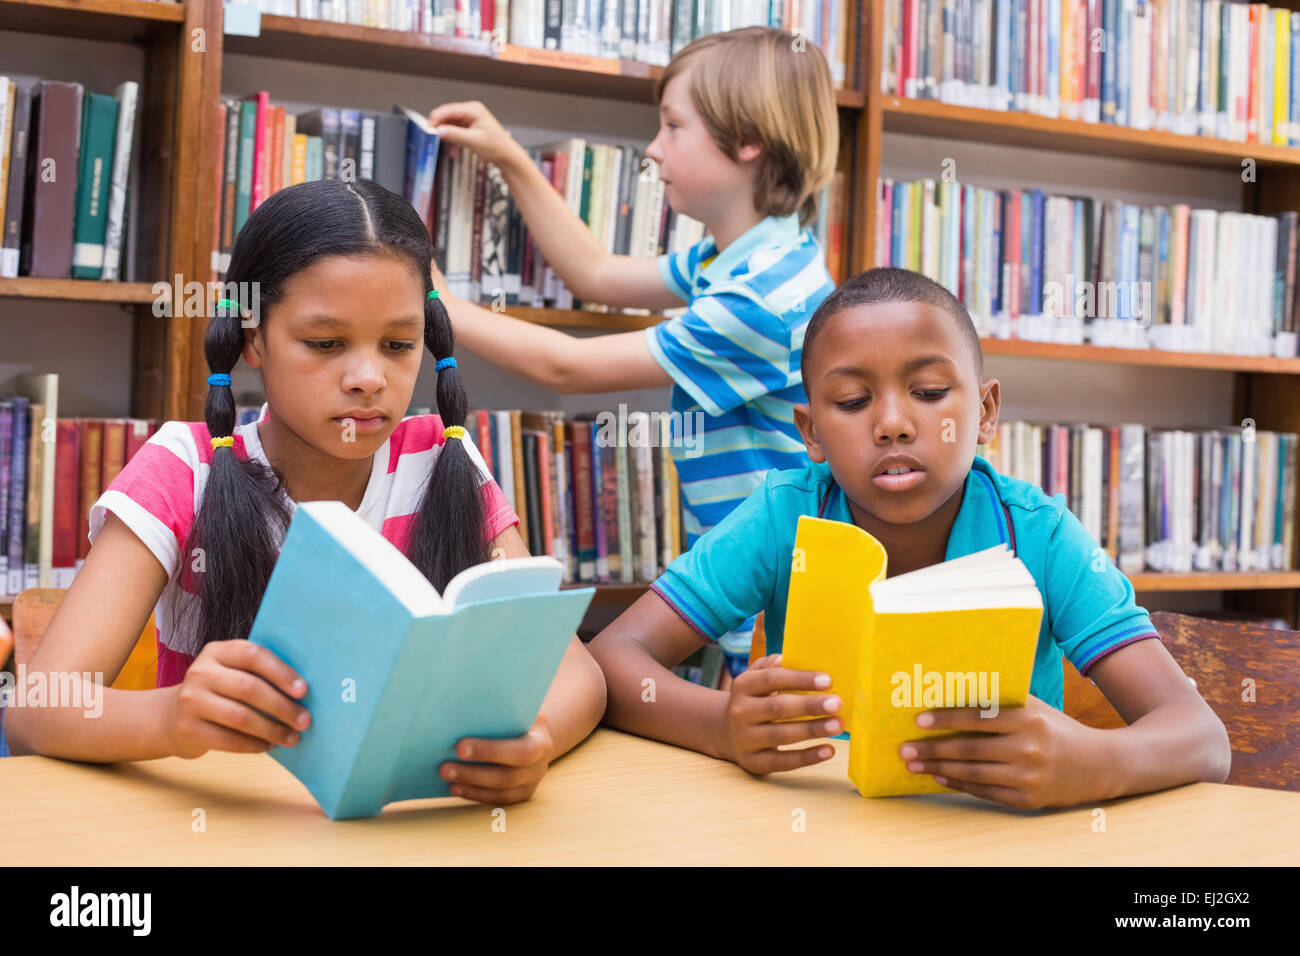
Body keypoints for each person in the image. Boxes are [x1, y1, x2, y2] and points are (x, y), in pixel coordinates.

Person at [4, 179, 606, 806]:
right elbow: (33, 712)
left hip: (414, 829)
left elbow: (578, 673)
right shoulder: (184, 469)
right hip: (226, 828)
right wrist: (170, 717)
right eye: (325, 344)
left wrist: (535, 738)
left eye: (399, 346)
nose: (369, 379)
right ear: (254, 339)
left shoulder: (441, 457)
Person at [587, 267, 1231, 810]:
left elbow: (1202, 739)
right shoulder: (784, 517)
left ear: (983, 412)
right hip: (819, 832)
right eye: (851, 401)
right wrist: (719, 724)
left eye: (927, 392)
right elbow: (615, 658)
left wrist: (1093, 763)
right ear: (810, 432)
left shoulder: (1041, 534)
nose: (893, 424)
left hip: (991, 837)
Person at [426, 26, 840, 668]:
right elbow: (595, 273)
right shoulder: (734, 257)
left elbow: (565, 367)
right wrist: (509, 156)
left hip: (771, 598)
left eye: (674, 126)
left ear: (749, 139)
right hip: (743, 579)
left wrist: (435, 303)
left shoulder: (761, 300)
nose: (653, 148)